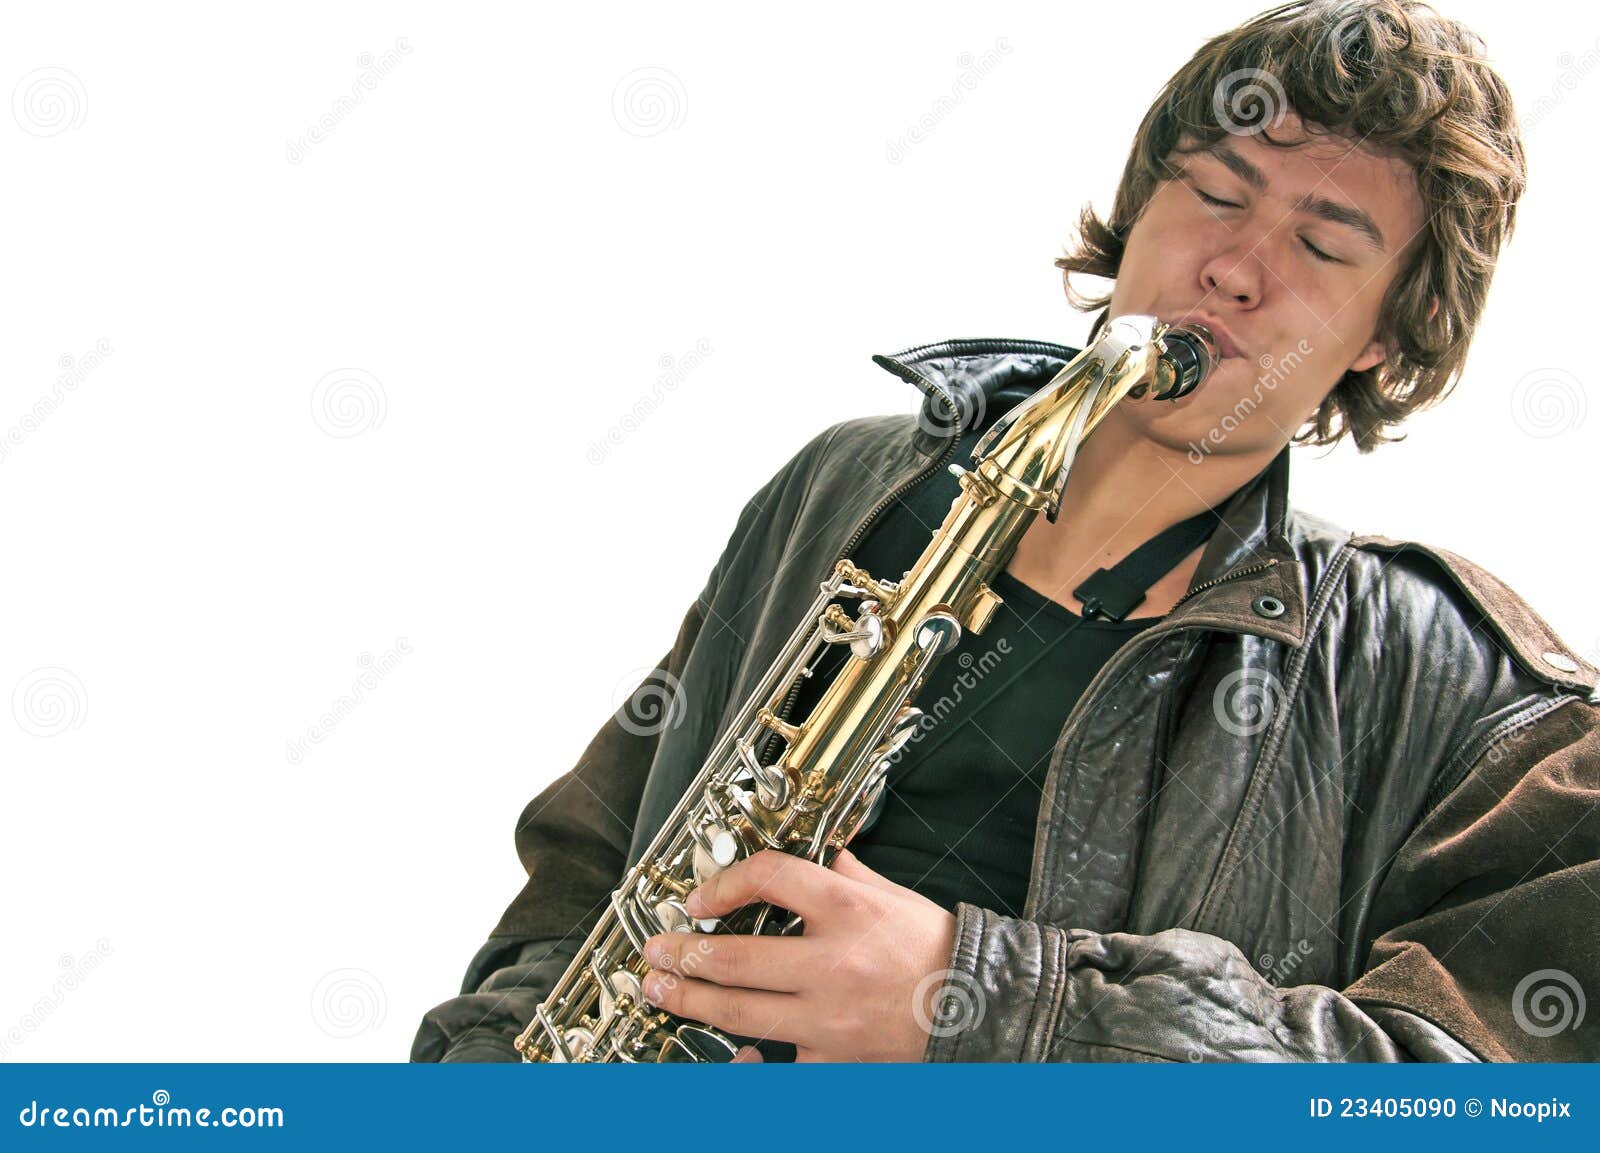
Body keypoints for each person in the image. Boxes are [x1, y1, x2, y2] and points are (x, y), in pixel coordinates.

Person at [412, 0, 1600, 1063]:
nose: (1235, 268)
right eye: (1217, 193)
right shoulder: (844, 483)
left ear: (1387, 336)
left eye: (1321, 245)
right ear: (1137, 215)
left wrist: (984, 1006)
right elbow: (591, 868)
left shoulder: (1468, 686)